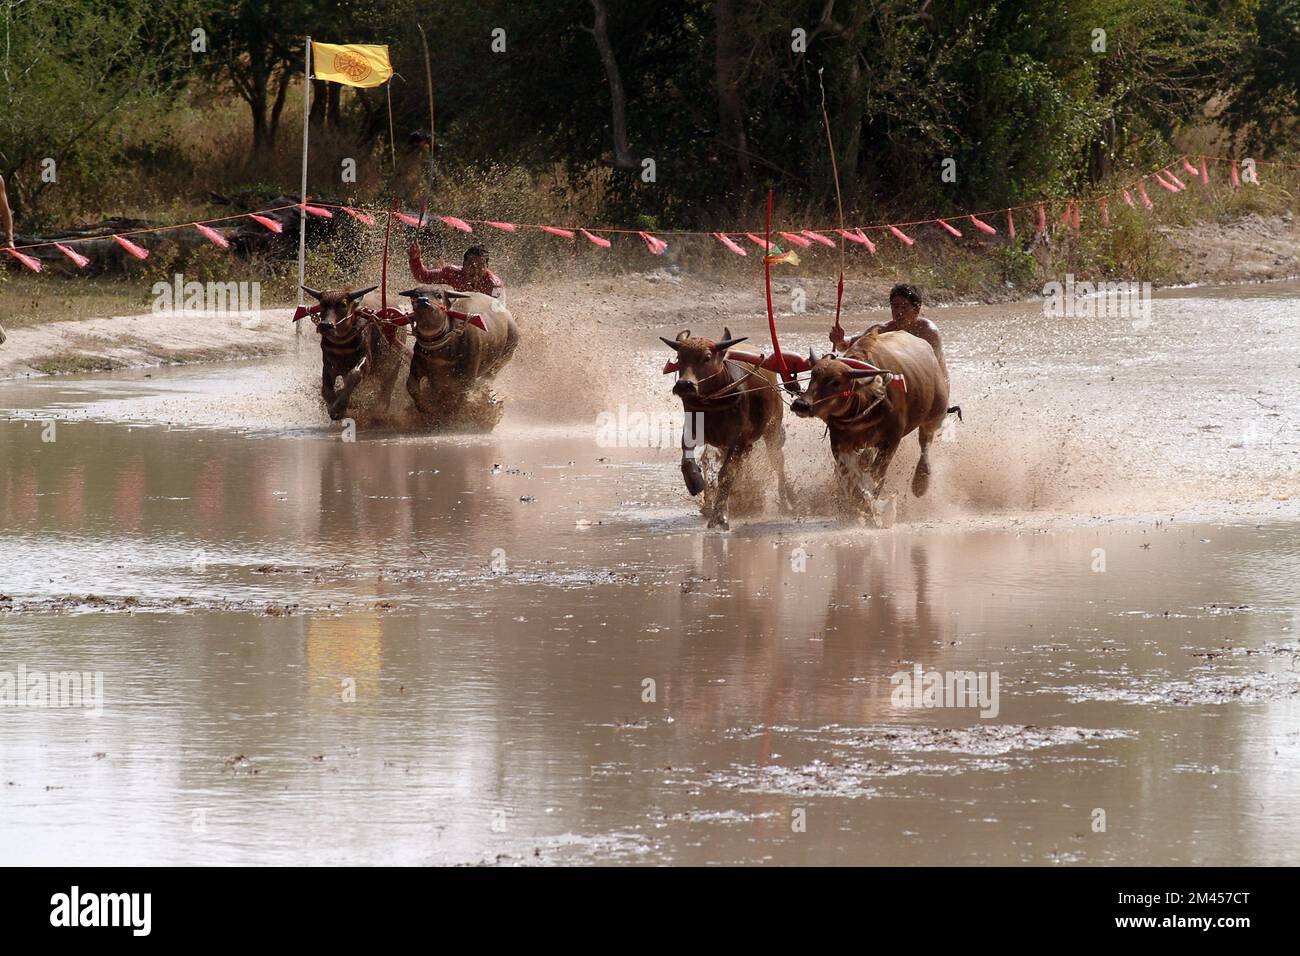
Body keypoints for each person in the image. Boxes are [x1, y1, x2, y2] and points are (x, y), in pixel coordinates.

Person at [835, 283, 945, 373]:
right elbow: (846, 346)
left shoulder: (928, 332)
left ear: (916, 310)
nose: (899, 312)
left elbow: (929, 368)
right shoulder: (883, 330)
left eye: (904, 307)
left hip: (931, 384)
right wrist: (839, 340)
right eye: (895, 307)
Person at [407, 242, 504, 298]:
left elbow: (497, 310)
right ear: (463, 265)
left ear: (487, 267)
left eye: (480, 265)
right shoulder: (452, 273)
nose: (475, 270)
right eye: (471, 265)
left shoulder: (495, 285)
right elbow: (424, 277)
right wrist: (415, 259)